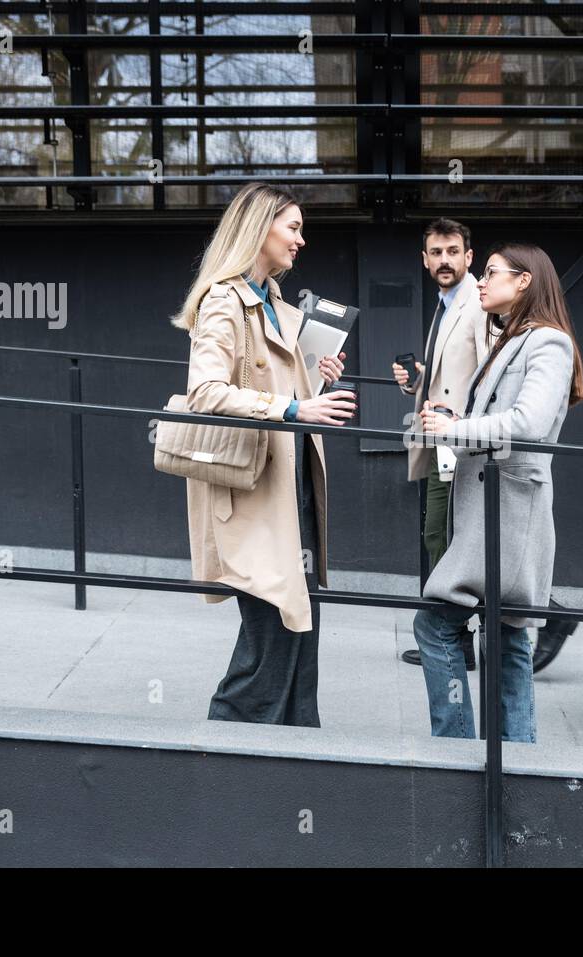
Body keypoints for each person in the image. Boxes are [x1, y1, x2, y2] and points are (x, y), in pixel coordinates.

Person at [170, 182, 356, 727]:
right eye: (293, 227)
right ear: (259, 228)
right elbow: (205, 392)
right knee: (269, 639)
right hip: (254, 493)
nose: (301, 240)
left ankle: (298, 751)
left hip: (289, 487)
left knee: (299, 630)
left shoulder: (275, 302)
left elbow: (280, 390)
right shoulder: (225, 300)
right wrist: (295, 410)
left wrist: (313, 384)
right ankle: (225, 750)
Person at [413, 243, 583, 742]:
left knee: (436, 624)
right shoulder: (513, 339)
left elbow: (528, 423)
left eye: (490, 273)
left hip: (508, 512)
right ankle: (517, 757)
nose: (481, 282)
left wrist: (453, 433)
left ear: (525, 281)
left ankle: (456, 747)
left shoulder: (547, 342)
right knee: (508, 636)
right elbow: (501, 418)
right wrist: (456, 421)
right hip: (496, 509)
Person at [392, 219, 491, 671]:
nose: (445, 260)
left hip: (464, 442)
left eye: (453, 251)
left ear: (469, 257)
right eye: (436, 252)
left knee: (445, 535)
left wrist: (464, 422)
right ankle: (455, 636)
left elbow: (492, 371)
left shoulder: (480, 302)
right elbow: (451, 373)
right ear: (425, 258)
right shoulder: (445, 302)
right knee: (442, 533)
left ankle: (453, 638)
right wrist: (415, 381)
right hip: (441, 440)